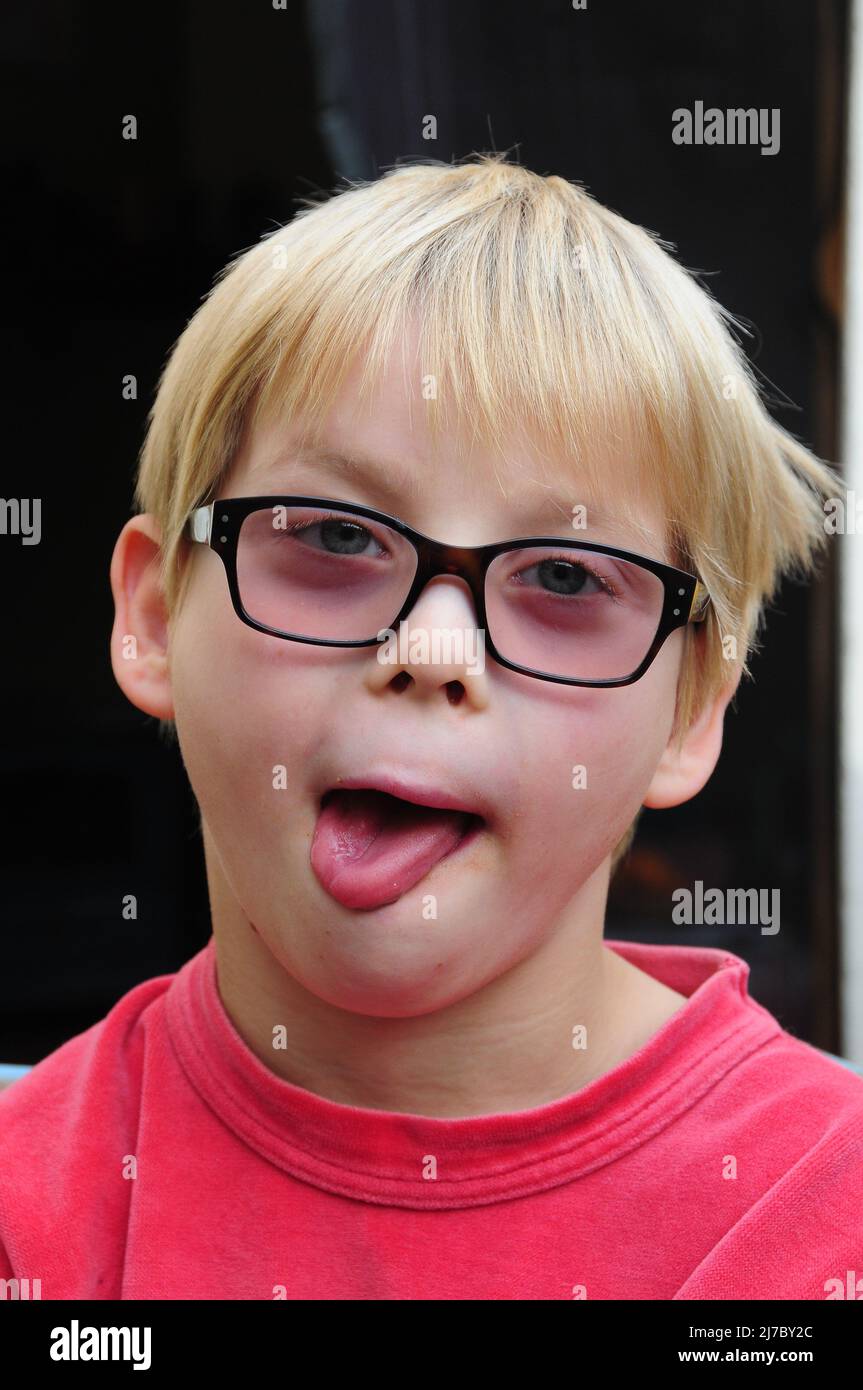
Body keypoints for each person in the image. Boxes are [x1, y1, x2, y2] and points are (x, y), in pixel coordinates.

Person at [2, 154, 861, 1301]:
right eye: (337, 538)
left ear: (689, 708)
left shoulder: (819, 1215)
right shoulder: (30, 1210)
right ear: (155, 617)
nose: (432, 651)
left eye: (563, 572)